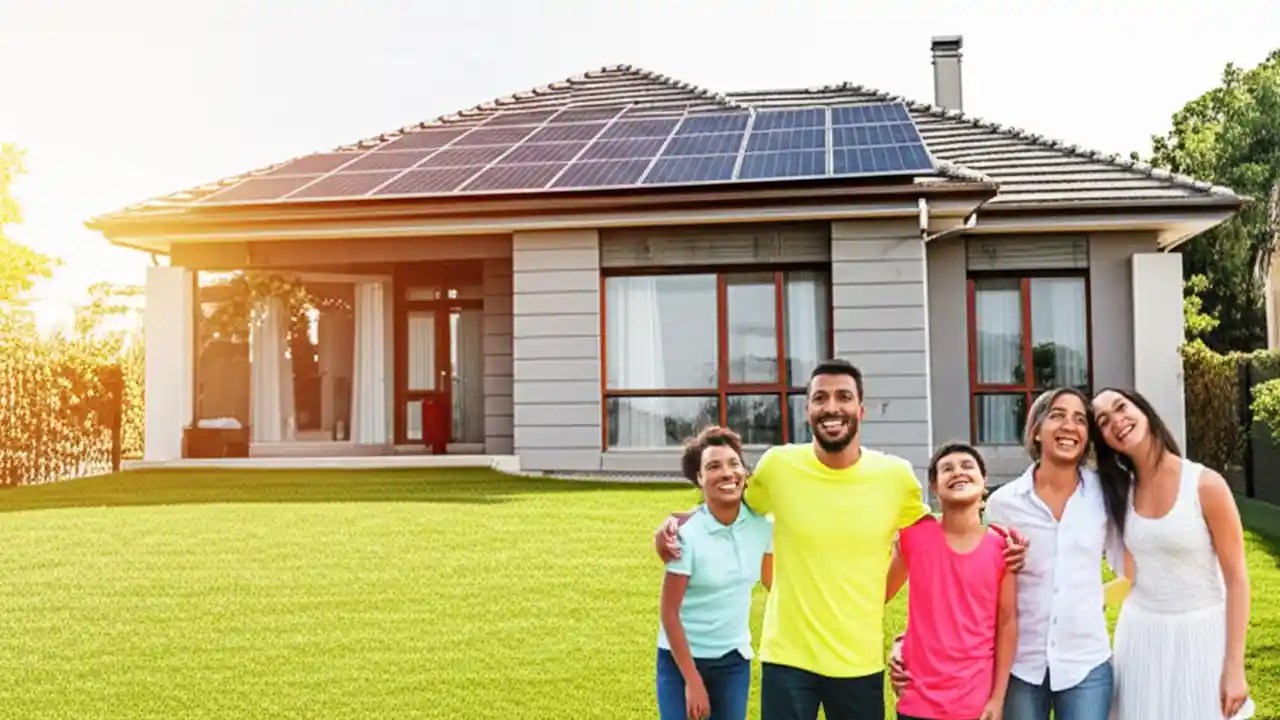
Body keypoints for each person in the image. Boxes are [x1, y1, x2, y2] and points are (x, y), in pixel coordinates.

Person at [656, 358, 1028, 720]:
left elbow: (933, 537)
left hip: (857, 661)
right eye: (820, 398)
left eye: (843, 397)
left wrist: (997, 536)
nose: (831, 407)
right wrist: (676, 523)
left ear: (861, 409)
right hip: (787, 658)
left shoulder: (895, 478)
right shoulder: (778, 466)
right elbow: (734, 511)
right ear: (807, 411)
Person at [892, 387, 1121, 720]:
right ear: (1036, 430)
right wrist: (904, 644)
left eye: (1080, 419)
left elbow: (1133, 562)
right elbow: (962, 577)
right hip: (1021, 667)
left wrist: (1095, 597)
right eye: (1057, 415)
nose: (1069, 426)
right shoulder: (1005, 504)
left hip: (1085, 662)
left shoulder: (1104, 495)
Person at [1092, 387, 1253, 720]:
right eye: (1104, 422)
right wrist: (1087, 597)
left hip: (1201, 638)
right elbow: (1132, 577)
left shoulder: (1206, 485)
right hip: (1139, 638)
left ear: (1144, 410)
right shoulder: (1120, 494)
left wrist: (1234, 667)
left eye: (1121, 408)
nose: (1117, 422)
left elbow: (1237, 579)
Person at [885, 442, 1017, 720]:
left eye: (967, 466)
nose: (958, 472)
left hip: (975, 704)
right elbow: (878, 595)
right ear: (934, 487)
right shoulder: (914, 537)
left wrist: (997, 699)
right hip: (917, 700)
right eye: (947, 469)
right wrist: (899, 645)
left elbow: (1007, 622)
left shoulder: (1003, 547)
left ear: (984, 484)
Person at [656, 425, 774, 720]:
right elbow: (669, 613)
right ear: (699, 478)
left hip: (733, 661)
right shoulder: (686, 535)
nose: (727, 473)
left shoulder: (762, 527)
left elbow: (775, 583)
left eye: (734, 463)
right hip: (679, 661)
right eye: (713, 466)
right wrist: (693, 682)